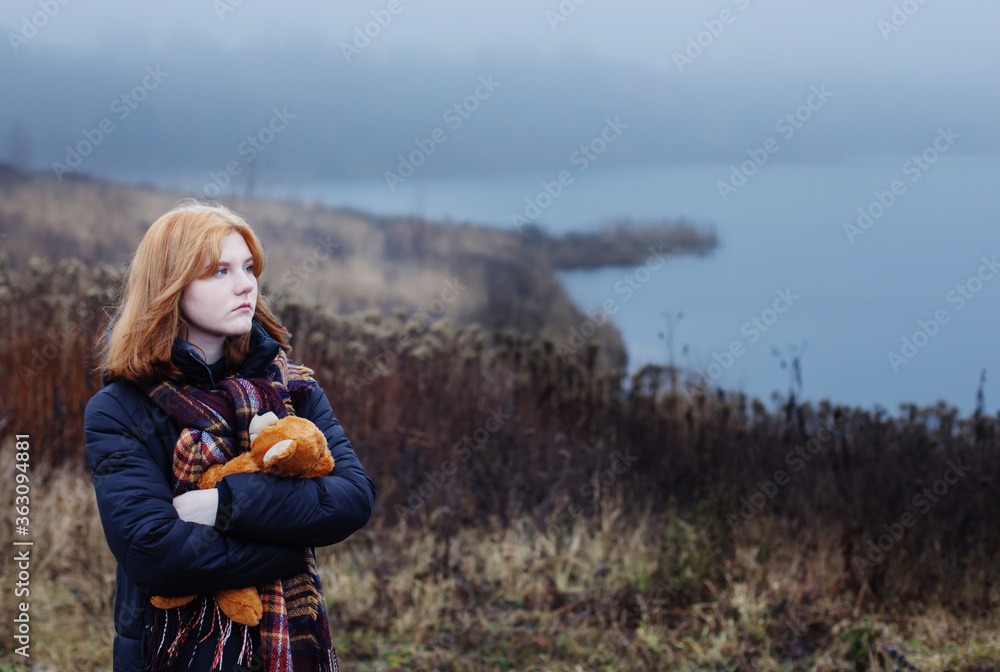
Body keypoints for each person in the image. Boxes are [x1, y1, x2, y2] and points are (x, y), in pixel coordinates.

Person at [84, 200, 375, 672]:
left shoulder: (293, 389)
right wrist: (290, 546)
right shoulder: (120, 409)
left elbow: (354, 498)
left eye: (247, 268)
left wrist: (225, 504)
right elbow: (154, 555)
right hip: (173, 657)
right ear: (170, 285)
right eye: (220, 271)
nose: (245, 284)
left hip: (290, 652)